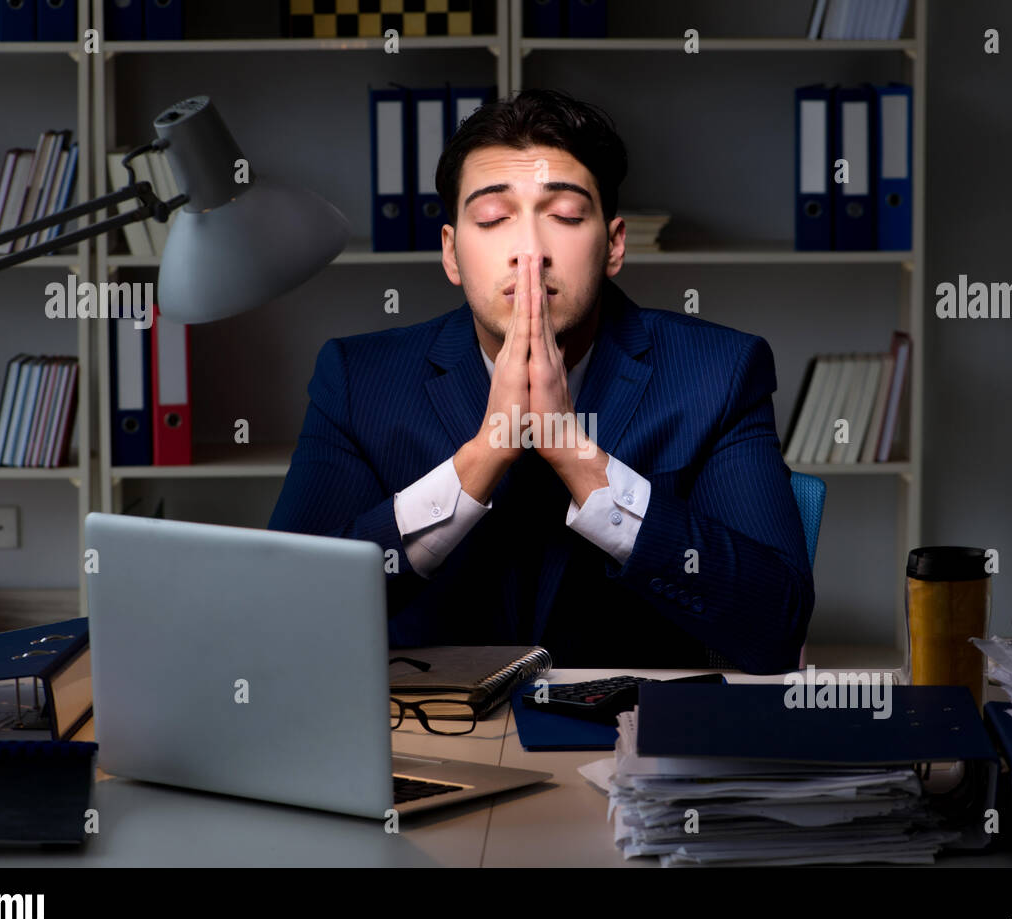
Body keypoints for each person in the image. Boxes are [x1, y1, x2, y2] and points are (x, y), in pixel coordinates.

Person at [269, 89, 813, 673]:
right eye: (492, 218)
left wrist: (578, 458)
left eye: (566, 216)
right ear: (451, 254)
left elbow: (775, 627)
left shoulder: (719, 372)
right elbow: (287, 614)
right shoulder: (358, 379)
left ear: (614, 244)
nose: (529, 250)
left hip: (630, 722)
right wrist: (481, 459)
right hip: (434, 722)